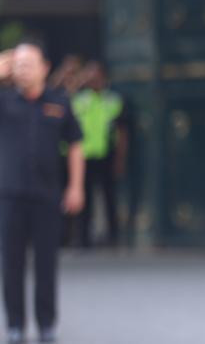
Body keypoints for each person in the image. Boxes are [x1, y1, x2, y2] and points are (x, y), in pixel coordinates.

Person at [0, 42, 84, 344]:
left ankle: (46, 323)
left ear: (44, 67)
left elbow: (75, 144)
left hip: (47, 196)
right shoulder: (5, 101)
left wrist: (76, 186)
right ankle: (14, 325)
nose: (22, 69)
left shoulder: (59, 102)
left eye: (28, 63)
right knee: (11, 263)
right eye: (17, 64)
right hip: (10, 196)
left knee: (47, 263)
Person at [70, 62, 127, 247]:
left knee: (109, 197)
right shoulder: (79, 99)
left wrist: (120, 158)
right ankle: (82, 239)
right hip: (84, 156)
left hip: (106, 154)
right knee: (83, 199)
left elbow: (122, 131)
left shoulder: (113, 100)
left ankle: (114, 238)